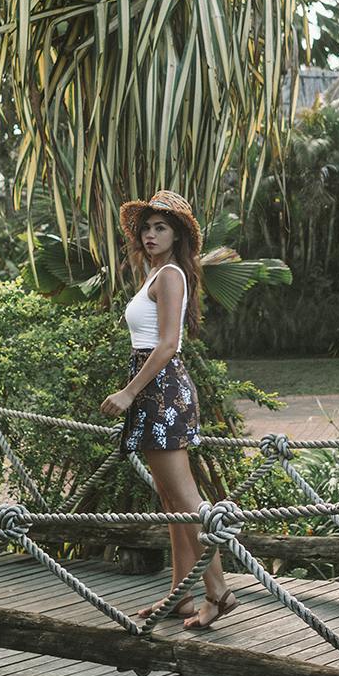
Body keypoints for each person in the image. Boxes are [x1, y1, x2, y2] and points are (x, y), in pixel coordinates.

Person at [100, 189, 235, 631]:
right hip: (155, 390)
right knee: (171, 500)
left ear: (177, 235)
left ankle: (219, 592)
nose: (151, 234)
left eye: (161, 227)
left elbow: (168, 345)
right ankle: (181, 594)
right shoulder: (155, 274)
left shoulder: (171, 275)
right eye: (147, 228)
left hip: (162, 391)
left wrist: (128, 393)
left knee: (187, 500)